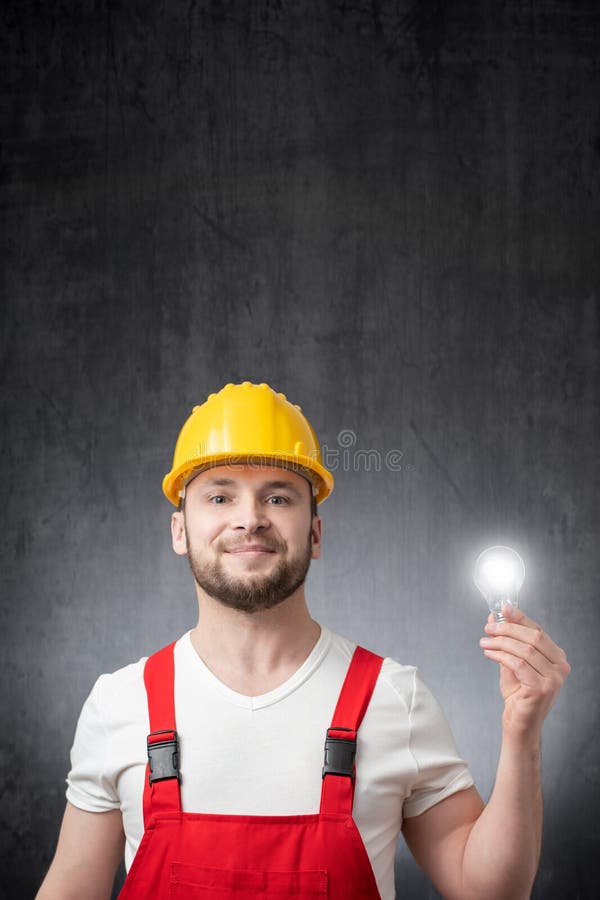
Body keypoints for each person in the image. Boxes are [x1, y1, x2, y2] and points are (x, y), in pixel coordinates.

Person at [36, 381, 570, 900]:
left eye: (278, 497)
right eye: (219, 496)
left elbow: (491, 892)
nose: (249, 519)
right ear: (180, 531)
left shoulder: (394, 698)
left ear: (315, 533)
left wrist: (522, 733)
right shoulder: (119, 704)